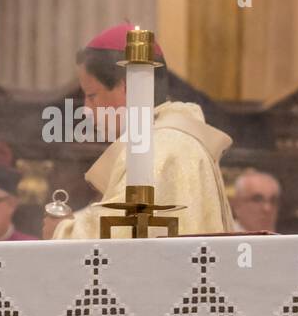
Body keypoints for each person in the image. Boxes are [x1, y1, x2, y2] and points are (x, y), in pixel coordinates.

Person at [47, 24, 235, 239]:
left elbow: (125, 233)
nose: (86, 110)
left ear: (128, 88)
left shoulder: (160, 148)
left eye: (92, 95)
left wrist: (62, 231)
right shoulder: (172, 139)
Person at [230, 168, 281, 233]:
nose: (267, 208)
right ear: (236, 204)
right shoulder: (223, 237)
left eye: (273, 201)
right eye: (257, 200)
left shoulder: (286, 238)